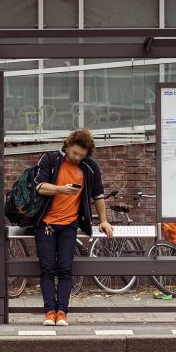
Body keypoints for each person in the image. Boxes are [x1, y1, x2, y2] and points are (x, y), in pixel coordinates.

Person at [32, 129, 113, 326]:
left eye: (81, 155)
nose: (77, 158)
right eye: (75, 153)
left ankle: (62, 312)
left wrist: (103, 220)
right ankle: (49, 311)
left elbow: (98, 195)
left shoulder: (89, 167)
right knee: (48, 269)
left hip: (69, 225)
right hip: (46, 224)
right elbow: (39, 186)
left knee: (66, 269)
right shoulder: (50, 159)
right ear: (67, 145)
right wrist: (61, 189)